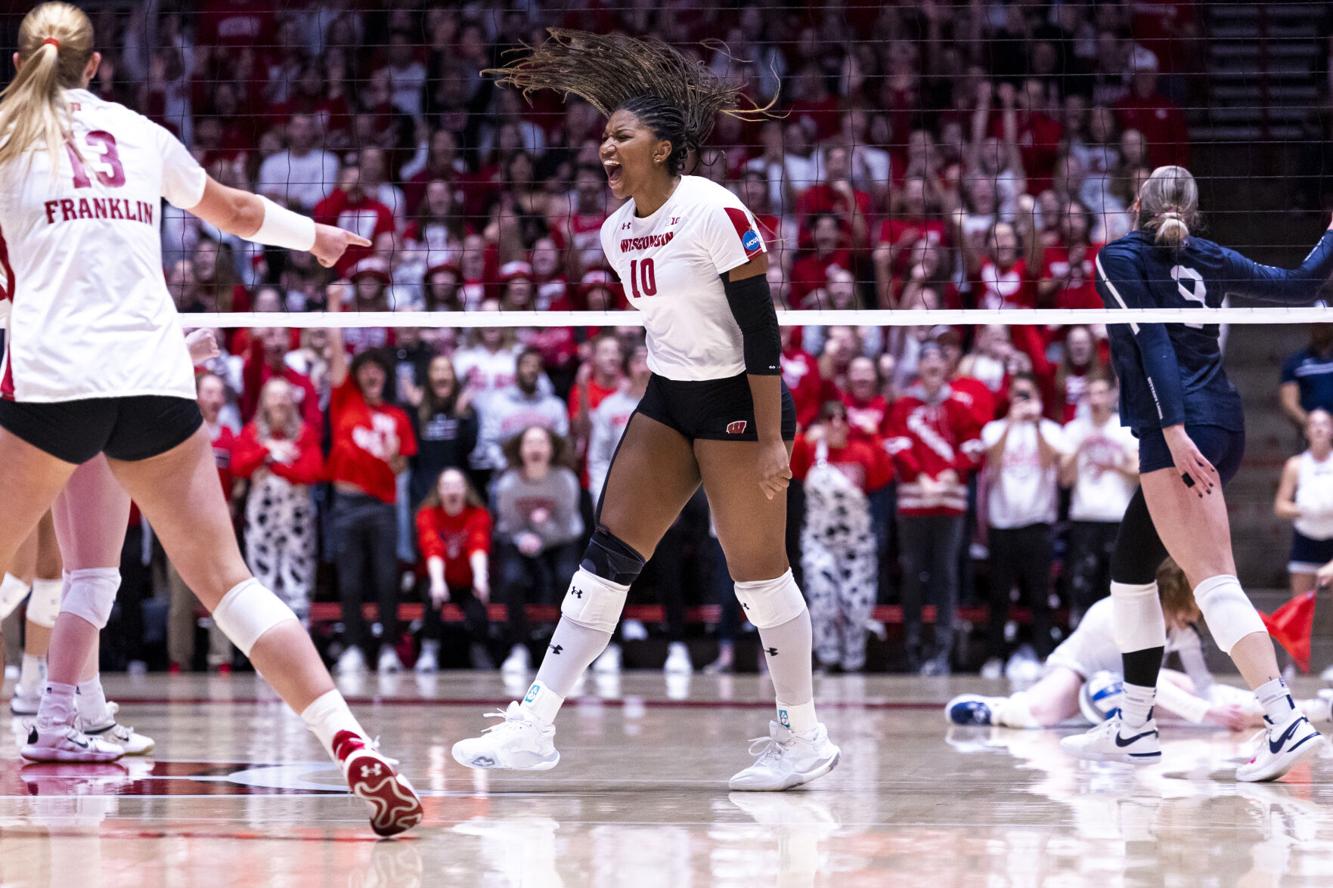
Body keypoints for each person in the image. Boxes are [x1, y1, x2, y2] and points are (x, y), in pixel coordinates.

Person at [0, 5, 419, 835]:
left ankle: (58, 702)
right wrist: (316, 238)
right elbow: (233, 211)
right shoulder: (139, 133)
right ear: (96, 69)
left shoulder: (6, 136)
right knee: (231, 587)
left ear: (20, 61)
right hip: (155, 376)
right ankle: (350, 741)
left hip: (52, 380)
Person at [451, 30, 840, 791]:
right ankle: (534, 723)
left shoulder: (713, 210)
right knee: (607, 555)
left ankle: (802, 737)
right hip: (669, 394)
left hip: (738, 397)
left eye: (619, 136)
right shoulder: (613, 230)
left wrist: (769, 440)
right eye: (603, 137)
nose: (604, 149)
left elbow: (761, 331)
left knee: (758, 577)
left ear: (661, 147)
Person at [1060, 165, 1333, 782]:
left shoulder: (1120, 258)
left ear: (1136, 204)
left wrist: (1173, 431)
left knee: (1212, 582)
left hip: (1181, 431)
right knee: (1131, 568)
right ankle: (1134, 724)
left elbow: (1153, 342)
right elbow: (1301, 285)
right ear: (1194, 208)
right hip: (1219, 423)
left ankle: (1284, 719)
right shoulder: (1204, 254)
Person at [947, 560, 1333, 730]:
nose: (1197, 614)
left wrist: (1226, 708)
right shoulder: (1127, 612)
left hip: (1121, 682)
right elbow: (1144, 681)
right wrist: (1208, 715)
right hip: (1080, 670)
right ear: (1175, 596)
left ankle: (1317, 709)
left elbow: (1202, 686)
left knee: (1231, 708)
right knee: (1033, 715)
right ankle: (994, 709)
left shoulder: (1179, 627)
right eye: (1192, 604)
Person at [323, 285, 419, 676]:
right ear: (359, 375)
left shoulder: (398, 417)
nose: (372, 373)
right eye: (365, 369)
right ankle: (353, 648)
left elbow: (400, 471)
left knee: (385, 582)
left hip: (382, 507)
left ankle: (389, 650)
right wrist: (333, 305)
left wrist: (395, 454)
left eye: (378, 369)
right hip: (346, 505)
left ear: (385, 375)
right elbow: (335, 354)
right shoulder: (344, 400)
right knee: (348, 584)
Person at [790, 401, 892, 674]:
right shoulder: (811, 450)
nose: (835, 424)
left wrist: (874, 436)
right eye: (829, 418)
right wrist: (802, 436)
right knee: (821, 600)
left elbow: (883, 476)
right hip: (819, 539)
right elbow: (789, 459)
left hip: (856, 543)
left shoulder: (862, 451)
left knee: (856, 605)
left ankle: (853, 662)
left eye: (841, 419)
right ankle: (827, 657)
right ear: (821, 423)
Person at [980, 372, 1070, 674]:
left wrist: (1034, 424)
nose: (1022, 401)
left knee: (1039, 595)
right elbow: (992, 460)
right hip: (1002, 523)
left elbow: (1048, 463)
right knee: (999, 594)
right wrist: (1011, 421)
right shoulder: (994, 429)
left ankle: (1044, 654)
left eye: (1027, 395)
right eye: (1017, 394)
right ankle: (996, 656)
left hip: (1037, 523)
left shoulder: (1051, 430)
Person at [490, 426, 584, 675]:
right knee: (512, 580)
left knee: (568, 580)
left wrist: (544, 529)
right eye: (529, 443)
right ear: (520, 450)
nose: (535, 448)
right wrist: (523, 538)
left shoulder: (565, 479)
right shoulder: (509, 483)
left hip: (559, 541)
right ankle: (518, 647)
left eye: (541, 442)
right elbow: (508, 526)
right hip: (520, 541)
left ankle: (567, 651)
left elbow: (568, 527)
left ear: (551, 449)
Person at [230, 377, 324, 626]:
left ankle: (299, 649)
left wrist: (273, 463)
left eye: (285, 396)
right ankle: (266, 655)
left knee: (298, 583)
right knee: (263, 584)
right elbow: (238, 466)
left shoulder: (305, 433)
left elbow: (313, 472)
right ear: (264, 402)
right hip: (263, 520)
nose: (280, 401)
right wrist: (268, 451)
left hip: (296, 522)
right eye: (274, 396)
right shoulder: (252, 432)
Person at [1060, 372, 1139, 624]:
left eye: (1100, 393)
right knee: (1082, 586)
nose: (1095, 399)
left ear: (1112, 396)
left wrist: (1113, 466)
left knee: (1115, 586)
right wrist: (1080, 447)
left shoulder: (1125, 428)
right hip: (1084, 516)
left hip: (1117, 517)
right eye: (1090, 394)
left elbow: (1138, 472)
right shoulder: (1074, 430)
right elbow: (1065, 479)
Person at [415, 467, 493, 673]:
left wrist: (480, 578)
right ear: (438, 491)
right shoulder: (427, 514)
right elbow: (432, 547)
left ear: (466, 490)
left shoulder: (479, 514)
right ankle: (429, 650)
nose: (452, 491)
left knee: (478, 610)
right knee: (432, 598)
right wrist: (438, 582)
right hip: (436, 576)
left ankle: (480, 650)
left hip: (467, 580)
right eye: (447, 486)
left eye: (457, 485)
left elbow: (478, 546)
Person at [1274, 409, 1333, 603]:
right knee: (1299, 606)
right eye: (1313, 424)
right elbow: (1280, 506)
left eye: (1323, 423)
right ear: (1306, 431)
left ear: (1331, 429)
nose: (1319, 429)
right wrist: (1305, 510)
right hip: (1306, 540)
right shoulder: (1295, 465)